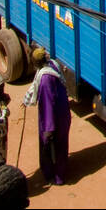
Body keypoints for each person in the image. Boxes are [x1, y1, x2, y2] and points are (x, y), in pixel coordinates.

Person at [24, 47, 70, 185]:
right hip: (63, 112)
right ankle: (60, 172)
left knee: (50, 147)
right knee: (61, 144)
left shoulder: (45, 79)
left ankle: (54, 175)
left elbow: (48, 103)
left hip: (53, 117)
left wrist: (49, 129)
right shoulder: (53, 65)